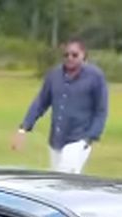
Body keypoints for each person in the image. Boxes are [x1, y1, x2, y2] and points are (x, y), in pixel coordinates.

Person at [11, 38, 109, 174]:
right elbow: (40, 102)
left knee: (65, 178)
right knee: (56, 180)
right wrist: (24, 128)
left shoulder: (95, 77)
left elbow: (101, 110)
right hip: (56, 139)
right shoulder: (54, 75)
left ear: (84, 55)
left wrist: (90, 137)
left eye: (75, 55)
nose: (70, 58)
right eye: (66, 55)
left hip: (78, 139)